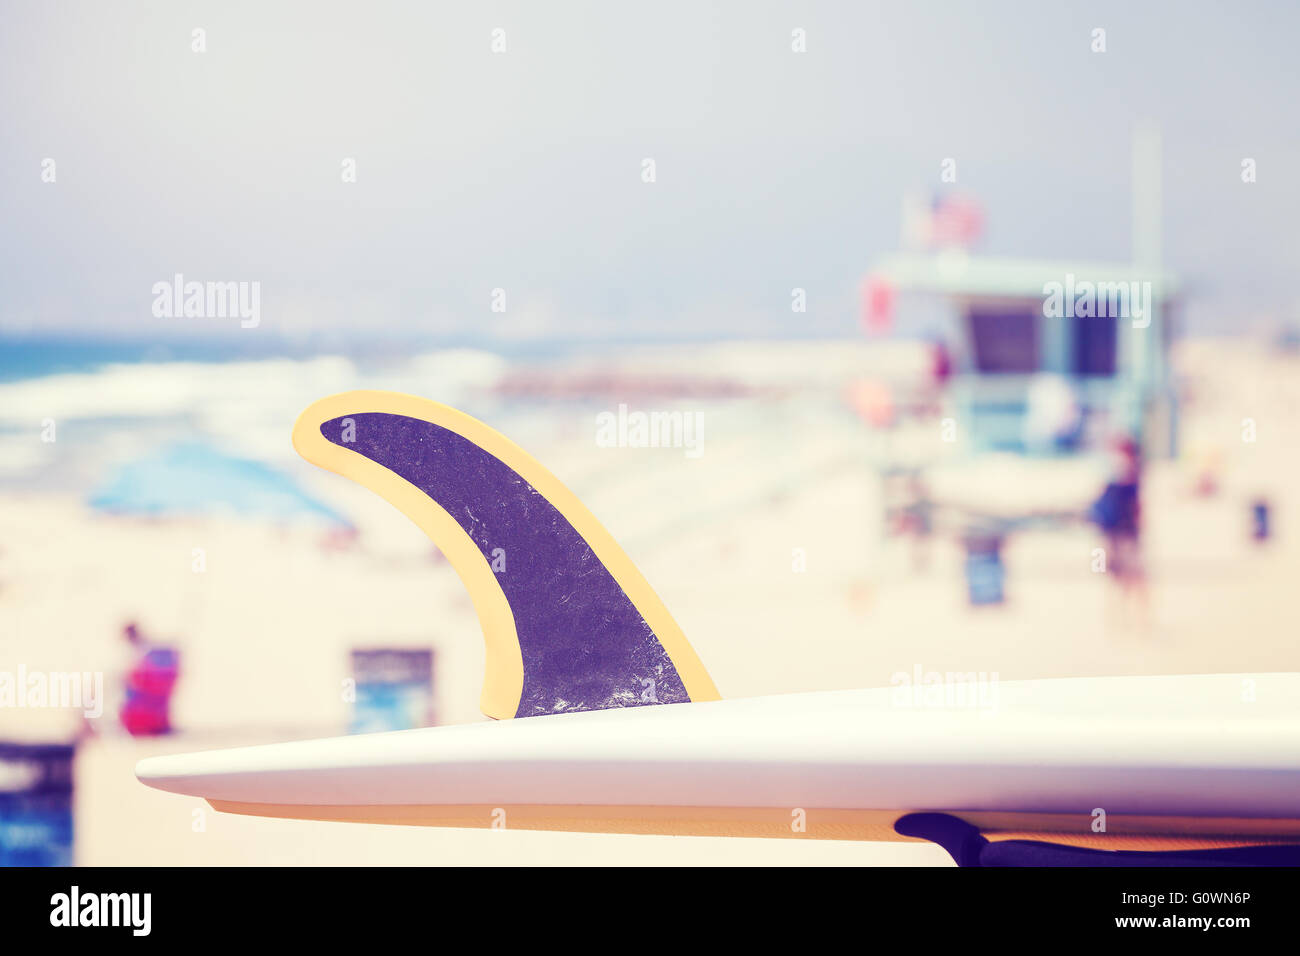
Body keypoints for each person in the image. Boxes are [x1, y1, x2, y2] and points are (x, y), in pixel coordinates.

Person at [1090, 437, 1147, 627]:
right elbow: (1137, 508)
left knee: (1121, 578)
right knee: (1132, 577)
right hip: (1125, 534)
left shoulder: (1113, 474)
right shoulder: (1130, 475)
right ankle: (1132, 618)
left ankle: (1121, 617)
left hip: (1115, 534)